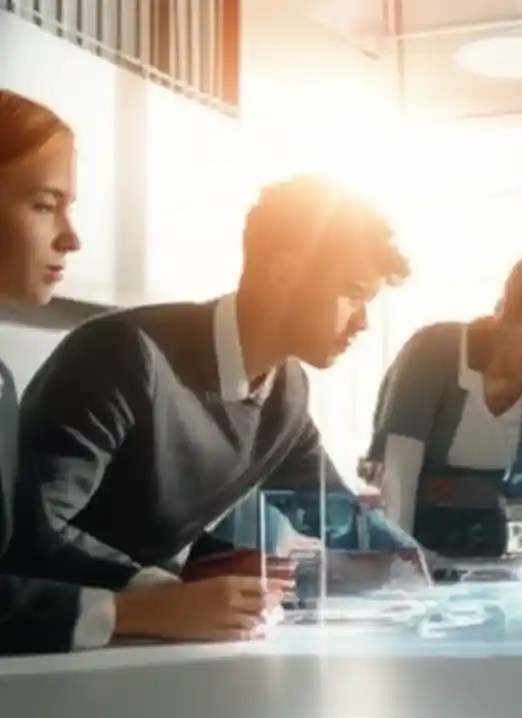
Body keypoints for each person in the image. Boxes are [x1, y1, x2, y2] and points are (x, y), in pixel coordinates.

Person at [2, 171, 413, 594]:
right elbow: (32, 528)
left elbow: (333, 511)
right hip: (50, 638)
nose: (362, 322)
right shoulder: (123, 354)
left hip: (153, 635)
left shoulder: (287, 390)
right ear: (286, 274)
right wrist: (169, 596)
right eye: (353, 293)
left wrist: (413, 564)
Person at [0, 89, 290, 654]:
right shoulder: (126, 352)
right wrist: (127, 611)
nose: (71, 236)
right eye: (42, 204)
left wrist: (168, 591)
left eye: (70, 206)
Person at [363, 246, 522, 558]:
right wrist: (405, 565)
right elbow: (398, 478)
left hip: (507, 564)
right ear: (506, 309)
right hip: (424, 549)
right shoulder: (433, 352)